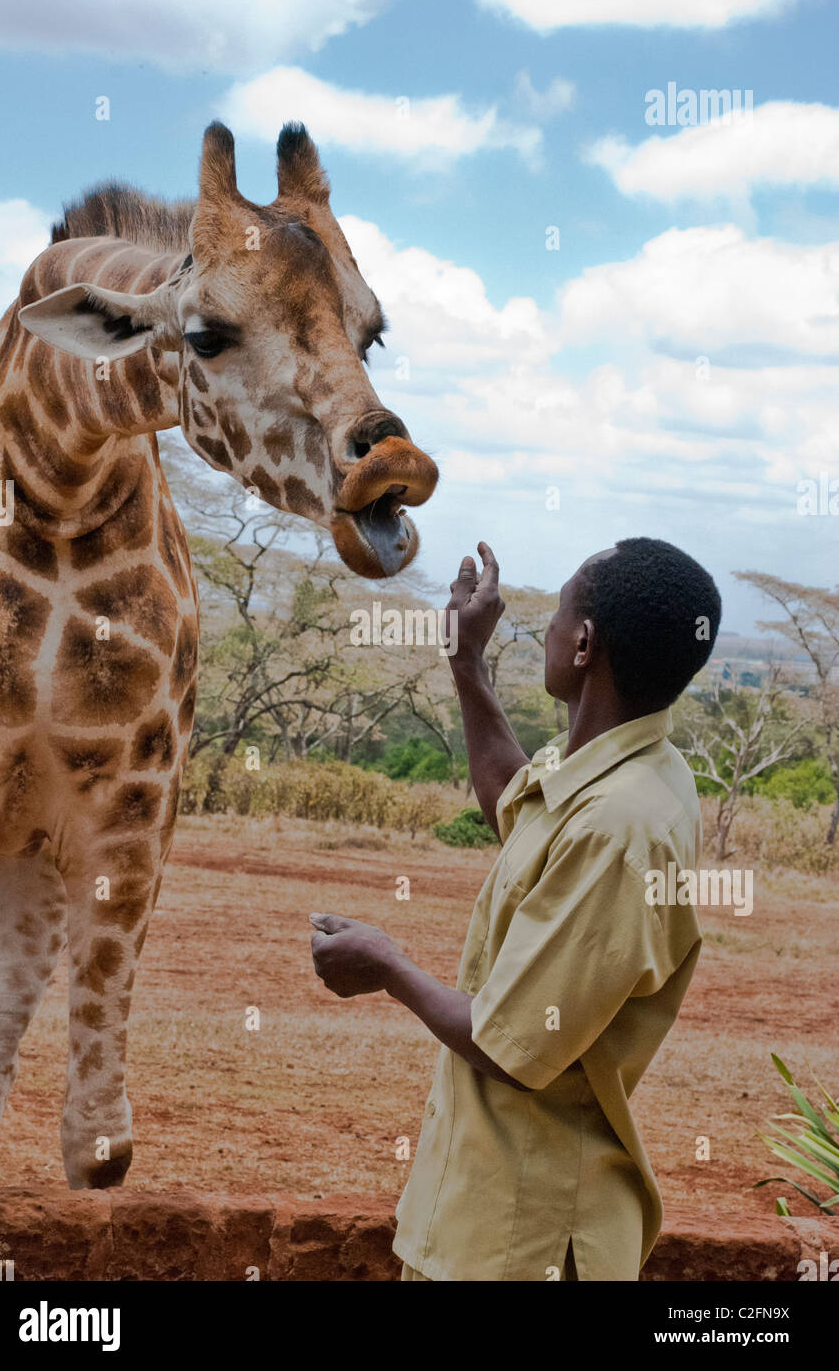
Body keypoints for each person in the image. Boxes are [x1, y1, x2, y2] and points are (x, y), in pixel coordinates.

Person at [309, 537, 721, 1281]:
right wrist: (466, 664)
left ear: (586, 643)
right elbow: (514, 802)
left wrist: (388, 967)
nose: (548, 629)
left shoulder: (619, 828)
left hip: (525, 1238)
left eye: (557, 614)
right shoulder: (628, 763)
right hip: (484, 1216)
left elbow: (509, 1046)